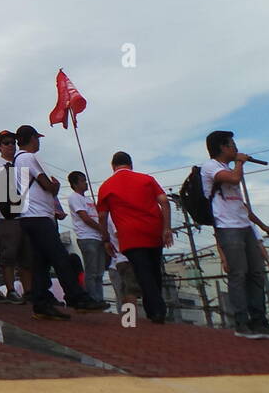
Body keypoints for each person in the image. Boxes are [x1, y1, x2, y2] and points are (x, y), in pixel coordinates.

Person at [13, 125, 107, 320]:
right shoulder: (29, 158)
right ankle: (77, 297)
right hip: (39, 217)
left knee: (41, 263)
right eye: (37, 138)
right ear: (31, 138)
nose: (39, 141)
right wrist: (54, 185)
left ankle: (41, 303)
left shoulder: (16, 161)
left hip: (28, 217)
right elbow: (49, 186)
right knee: (60, 257)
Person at [201, 131, 269, 339]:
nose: (236, 148)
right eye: (232, 145)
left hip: (244, 226)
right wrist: (240, 163)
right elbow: (235, 179)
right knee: (238, 274)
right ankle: (241, 323)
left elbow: (242, 205)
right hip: (227, 228)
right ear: (222, 147)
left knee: (256, 273)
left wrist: (264, 227)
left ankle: (260, 321)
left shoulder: (228, 167)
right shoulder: (211, 167)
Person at [95, 152, 172, 323]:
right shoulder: (146, 179)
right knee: (153, 270)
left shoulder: (106, 186)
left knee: (140, 276)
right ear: (131, 164)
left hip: (129, 238)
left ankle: (140, 318)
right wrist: (167, 228)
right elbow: (164, 201)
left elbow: (101, 216)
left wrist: (105, 239)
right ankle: (152, 312)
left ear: (113, 166)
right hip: (154, 230)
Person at [0, 130, 30, 303]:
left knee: (26, 255)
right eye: (6, 142)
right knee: (8, 255)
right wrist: (5, 187)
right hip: (5, 216)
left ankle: (29, 291)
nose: (10, 146)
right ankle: (11, 289)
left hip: (25, 213)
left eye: (13, 142)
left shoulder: (20, 162)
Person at [67, 171, 107, 304]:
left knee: (100, 271)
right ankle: (92, 299)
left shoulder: (88, 200)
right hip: (87, 237)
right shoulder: (74, 197)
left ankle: (99, 299)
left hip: (97, 237)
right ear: (75, 184)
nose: (86, 183)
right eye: (83, 181)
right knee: (91, 271)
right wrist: (102, 229)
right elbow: (85, 218)